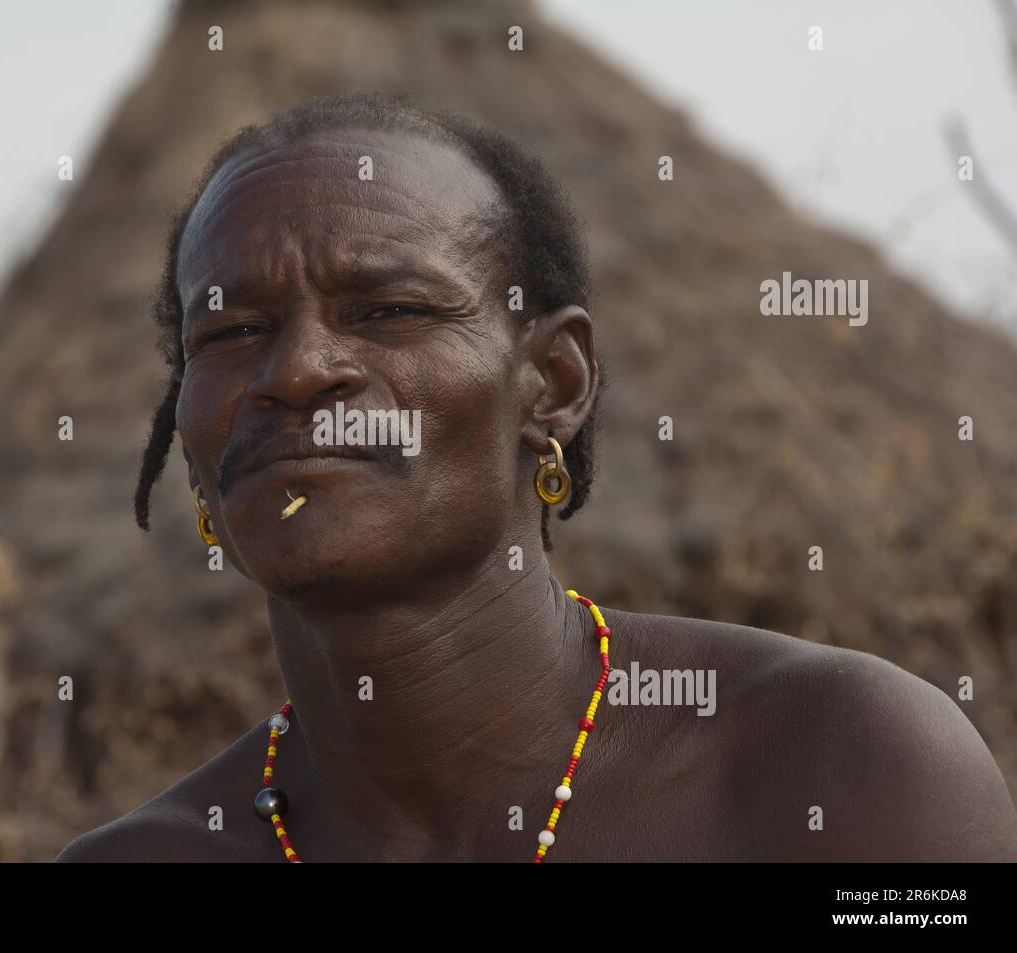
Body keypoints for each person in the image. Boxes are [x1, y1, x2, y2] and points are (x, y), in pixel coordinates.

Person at [57, 93, 1017, 862]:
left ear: (553, 384)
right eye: (229, 332)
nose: (299, 370)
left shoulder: (840, 768)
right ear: (188, 435)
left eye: (390, 310)